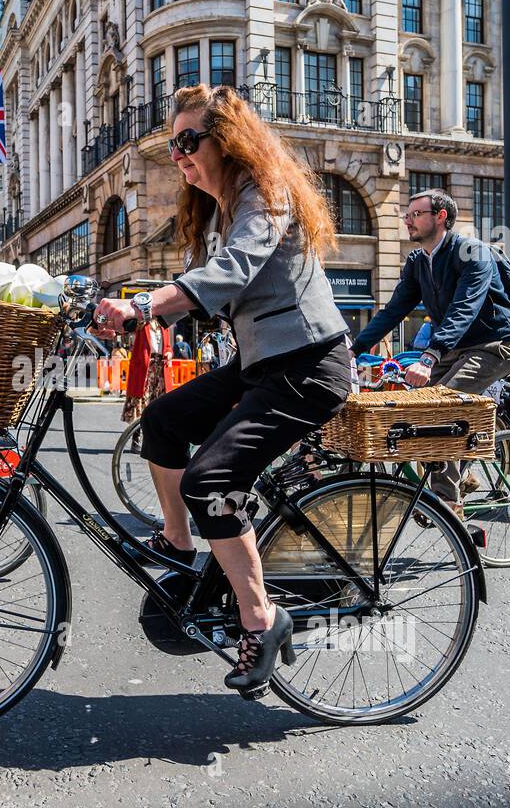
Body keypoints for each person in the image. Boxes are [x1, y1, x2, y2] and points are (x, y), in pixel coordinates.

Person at [91, 84, 350, 697]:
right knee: (163, 422)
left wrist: (146, 306)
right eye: (171, 142)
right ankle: (179, 540)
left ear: (227, 140)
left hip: (309, 365)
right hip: (262, 361)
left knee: (212, 480)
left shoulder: (266, 191)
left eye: (188, 140)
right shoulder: (220, 208)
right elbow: (213, 287)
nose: (178, 153)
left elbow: (234, 269)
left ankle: (263, 619)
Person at [353, 188, 510, 510]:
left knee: (441, 407)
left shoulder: (471, 253)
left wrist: (429, 356)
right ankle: (460, 467)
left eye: (416, 214)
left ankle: (447, 501)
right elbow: (393, 311)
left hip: (494, 347)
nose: (408, 220)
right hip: (454, 350)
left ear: (441, 217)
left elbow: (465, 308)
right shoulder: (419, 261)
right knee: (418, 408)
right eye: (407, 215)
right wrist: (351, 349)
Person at [121, 318, 169, 424]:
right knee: (142, 398)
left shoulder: (164, 325)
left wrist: (169, 353)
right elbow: (127, 326)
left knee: (158, 399)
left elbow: (168, 347)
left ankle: (154, 431)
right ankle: (136, 435)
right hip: (144, 366)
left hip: (160, 366)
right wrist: (137, 322)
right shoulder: (141, 324)